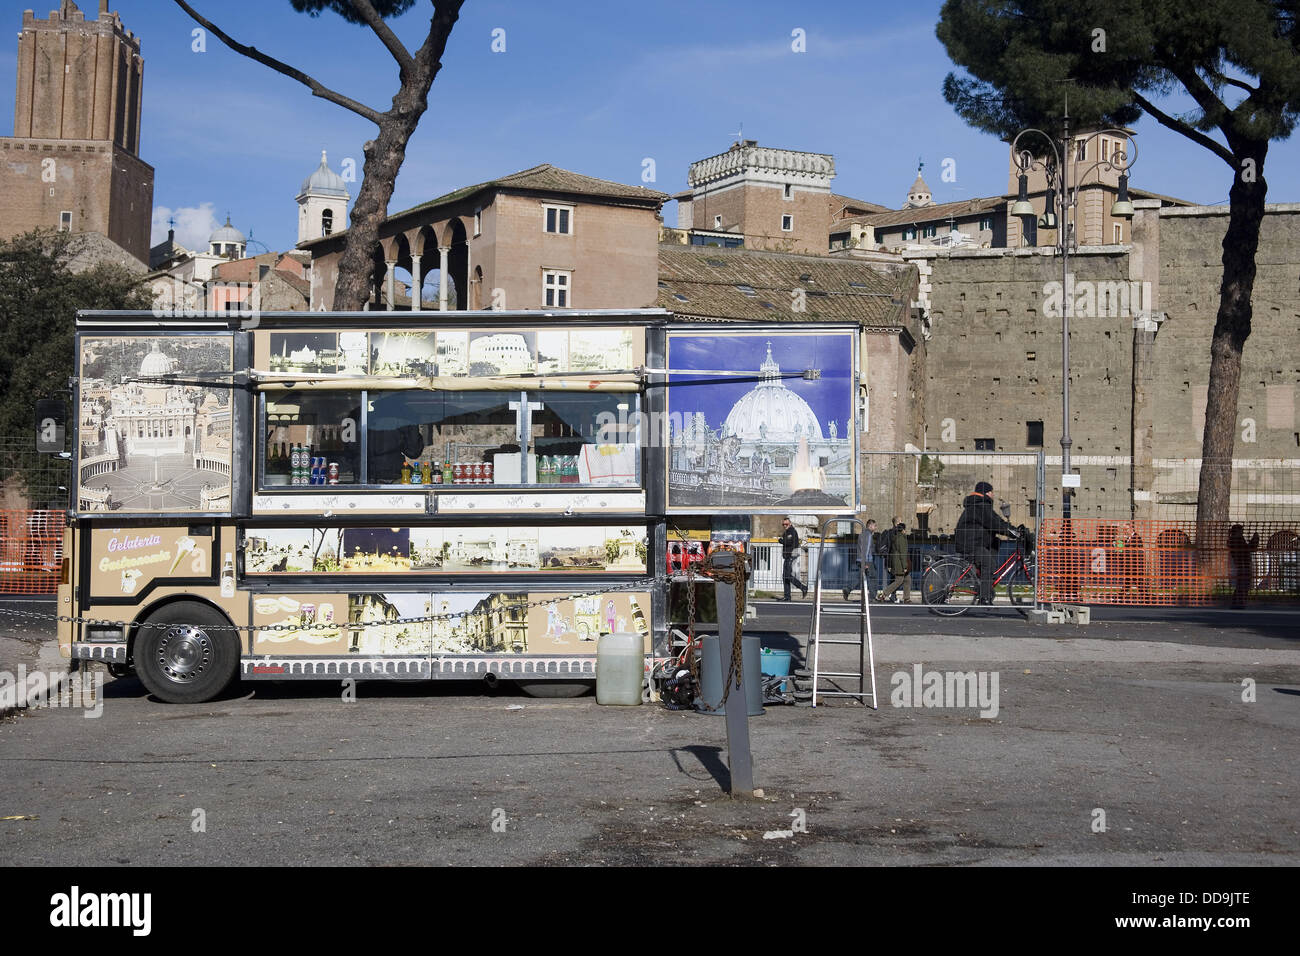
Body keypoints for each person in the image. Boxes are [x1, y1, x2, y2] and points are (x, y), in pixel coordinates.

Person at [954, 480, 1013, 604]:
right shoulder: (980, 505)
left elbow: (996, 520)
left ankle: (985, 585)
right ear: (986, 492)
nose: (993, 495)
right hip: (970, 544)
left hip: (975, 542)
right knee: (989, 563)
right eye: (992, 492)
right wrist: (1011, 532)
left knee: (994, 546)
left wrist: (1012, 529)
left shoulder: (982, 505)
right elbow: (994, 523)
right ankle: (984, 597)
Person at [878, 518, 912, 604]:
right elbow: (903, 554)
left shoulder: (896, 536)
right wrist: (905, 566)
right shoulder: (901, 539)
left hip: (895, 562)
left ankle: (906, 598)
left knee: (907, 579)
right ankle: (884, 594)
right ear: (903, 530)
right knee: (899, 580)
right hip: (899, 564)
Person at [844, 518, 878, 600]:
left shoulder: (862, 534)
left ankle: (847, 589)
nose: (876, 527)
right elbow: (865, 549)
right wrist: (865, 562)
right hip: (867, 560)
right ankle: (873, 597)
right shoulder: (868, 535)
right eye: (874, 526)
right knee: (873, 577)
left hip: (860, 559)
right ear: (870, 525)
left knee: (861, 577)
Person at [1227, 524, 1259, 609]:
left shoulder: (1235, 540)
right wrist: (1255, 540)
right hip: (1243, 565)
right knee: (1243, 584)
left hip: (1241, 564)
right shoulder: (1236, 540)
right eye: (1241, 530)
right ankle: (1238, 603)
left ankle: (1237, 602)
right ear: (1237, 531)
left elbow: (1249, 548)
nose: (1242, 532)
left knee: (1242, 584)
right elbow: (1249, 548)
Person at [779, 517, 807, 601]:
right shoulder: (787, 531)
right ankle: (787, 597)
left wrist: (781, 541)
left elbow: (789, 542)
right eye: (783, 524)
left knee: (787, 575)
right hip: (787, 556)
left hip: (790, 555)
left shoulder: (792, 531)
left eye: (786, 524)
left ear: (790, 524)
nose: (785, 526)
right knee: (785, 576)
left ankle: (803, 587)